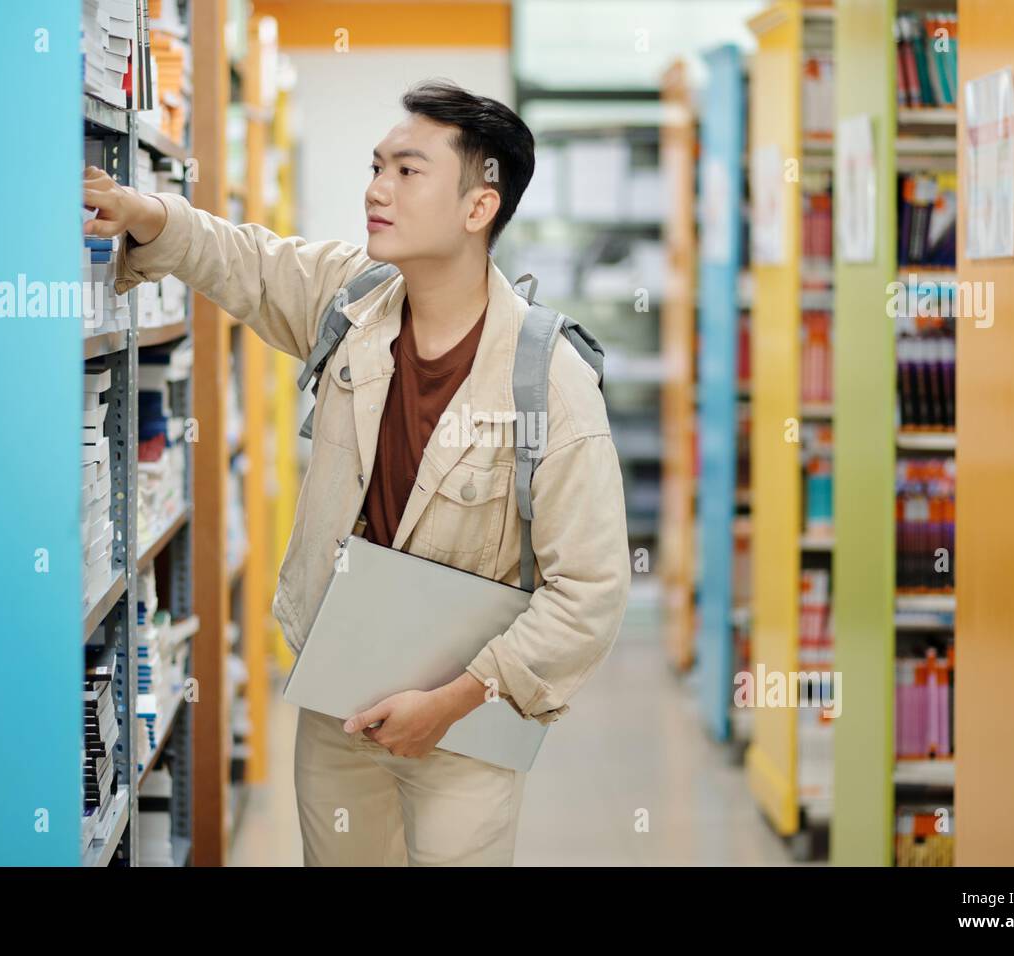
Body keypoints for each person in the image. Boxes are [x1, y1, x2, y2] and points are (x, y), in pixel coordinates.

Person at [82, 79, 631, 866]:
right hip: (337, 697)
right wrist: (151, 215)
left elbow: (590, 595)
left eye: (408, 172)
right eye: (377, 167)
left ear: (479, 208)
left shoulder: (549, 381)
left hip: (467, 722)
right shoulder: (354, 301)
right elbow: (249, 261)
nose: (376, 189)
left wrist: (449, 702)